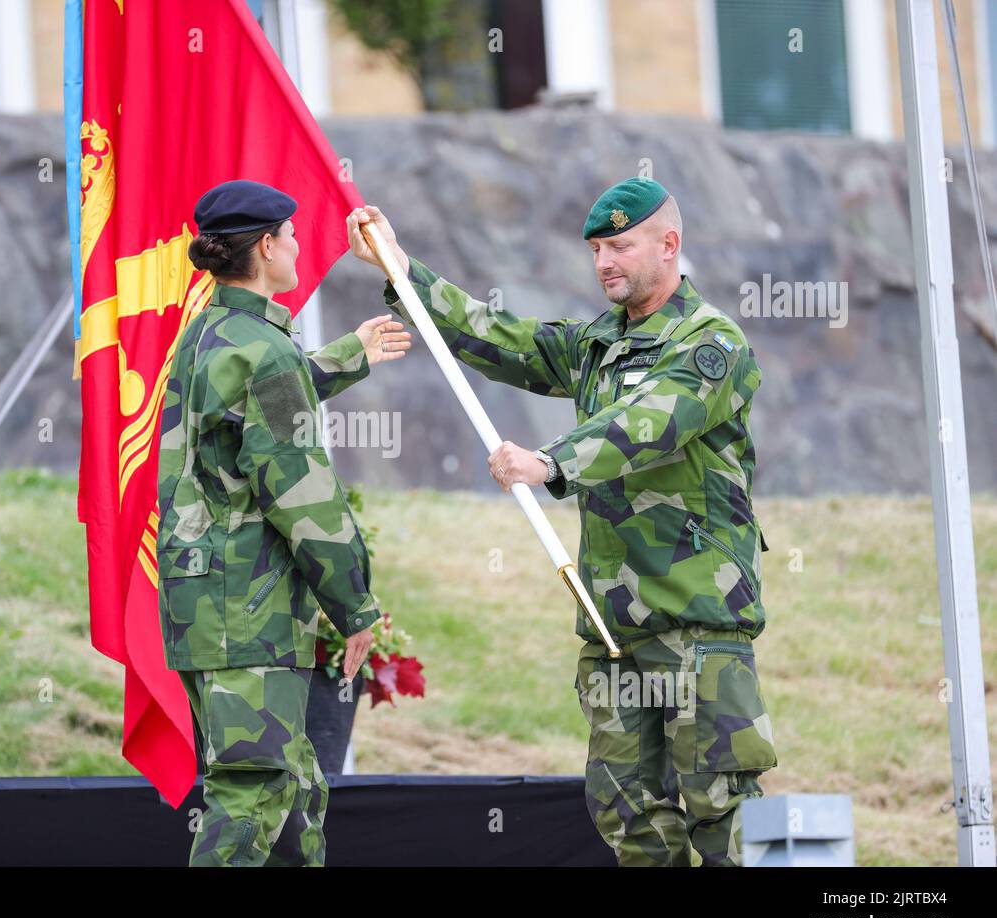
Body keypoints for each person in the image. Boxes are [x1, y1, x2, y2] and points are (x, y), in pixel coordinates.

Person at [346, 177, 778, 866]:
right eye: (598, 248)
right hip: (615, 628)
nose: (606, 261)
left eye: (621, 245)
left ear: (669, 246)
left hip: (696, 621)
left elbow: (652, 423)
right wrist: (401, 267)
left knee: (720, 814)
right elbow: (497, 337)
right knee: (626, 813)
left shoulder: (710, 345)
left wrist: (550, 462)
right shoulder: (596, 344)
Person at [157, 179, 412, 866]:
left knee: (293, 800)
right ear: (267, 247)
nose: (300, 245)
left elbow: (263, 395)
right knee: (251, 797)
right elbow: (301, 495)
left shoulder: (212, 333)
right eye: (292, 236)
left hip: (208, 605)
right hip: (248, 612)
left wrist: (347, 354)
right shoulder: (261, 350)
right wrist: (355, 604)